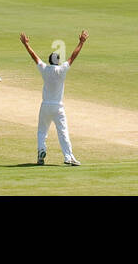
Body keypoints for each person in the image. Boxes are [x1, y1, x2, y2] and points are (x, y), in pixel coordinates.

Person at [20, 29, 88, 165]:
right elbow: (72, 57)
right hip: (58, 106)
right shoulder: (62, 70)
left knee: (41, 132)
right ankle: (68, 157)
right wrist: (81, 42)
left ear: (50, 61)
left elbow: (34, 57)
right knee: (63, 132)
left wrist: (26, 44)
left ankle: (41, 153)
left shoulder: (45, 69)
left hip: (45, 106)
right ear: (58, 62)